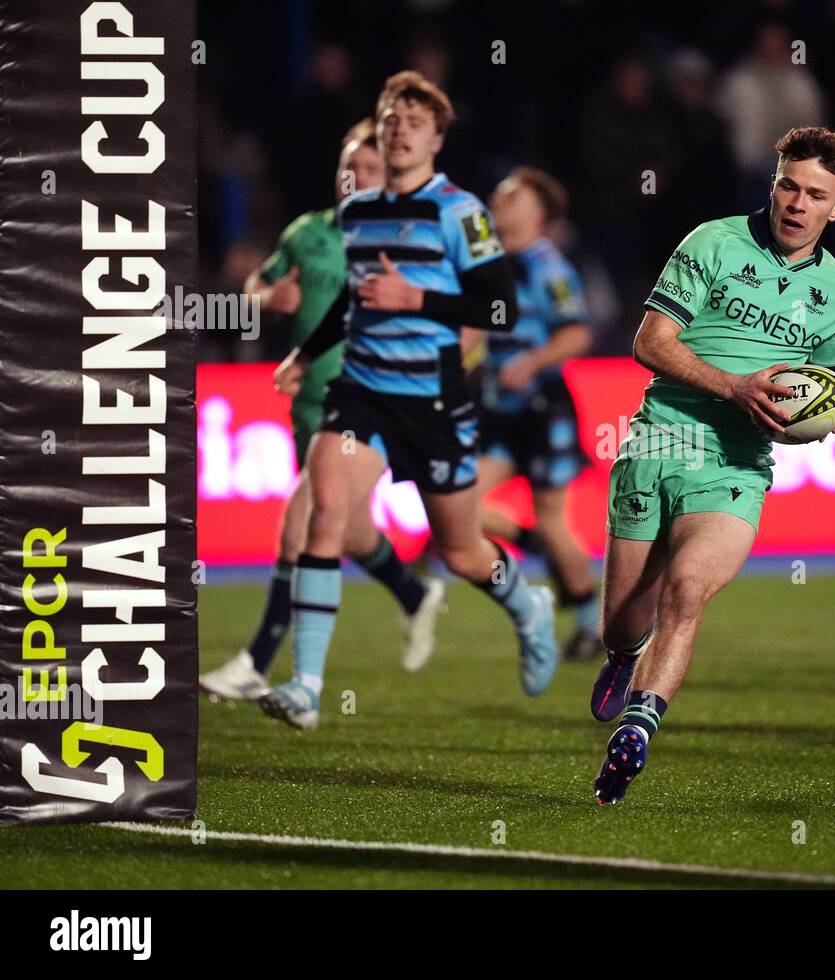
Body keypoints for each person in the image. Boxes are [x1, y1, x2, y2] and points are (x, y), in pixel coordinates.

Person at [263, 71, 559, 732]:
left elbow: (501, 306)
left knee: (461, 552)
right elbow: (352, 296)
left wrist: (417, 299)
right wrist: (306, 355)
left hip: (432, 401)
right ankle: (306, 686)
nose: (398, 130)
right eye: (391, 118)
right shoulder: (358, 211)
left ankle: (527, 607)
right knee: (325, 513)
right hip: (361, 393)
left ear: (437, 139)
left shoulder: (460, 212)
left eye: (413, 122)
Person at [588, 127, 835, 804]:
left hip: (736, 465)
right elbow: (650, 343)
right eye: (788, 185)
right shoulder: (712, 241)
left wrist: (802, 425)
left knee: (687, 592)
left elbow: (814, 393)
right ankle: (625, 657)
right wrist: (732, 386)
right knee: (623, 623)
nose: (797, 203)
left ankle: (639, 728)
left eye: (815, 194)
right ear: (773, 186)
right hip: (658, 439)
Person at [199, 119, 445, 702]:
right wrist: (265, 298)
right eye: (350, 168)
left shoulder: (402, 242)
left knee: (300, 526)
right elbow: (254, 287)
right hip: (306, 406)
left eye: (372, 170)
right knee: (350, 528)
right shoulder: (307, 233)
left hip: (365, 404)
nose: (357, 178)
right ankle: (413, 594)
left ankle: (259, 663)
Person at [464, 166, 602, 662]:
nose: (497, 198)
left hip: (544, 410)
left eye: (510, 194)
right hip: (499, 413)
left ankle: (592, 625)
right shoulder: (484, 261)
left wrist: (533, 362)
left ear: (537, 213)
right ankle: (535, 547)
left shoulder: (549, 268)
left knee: (552, 517)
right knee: (460, 504)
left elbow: (578, 332)